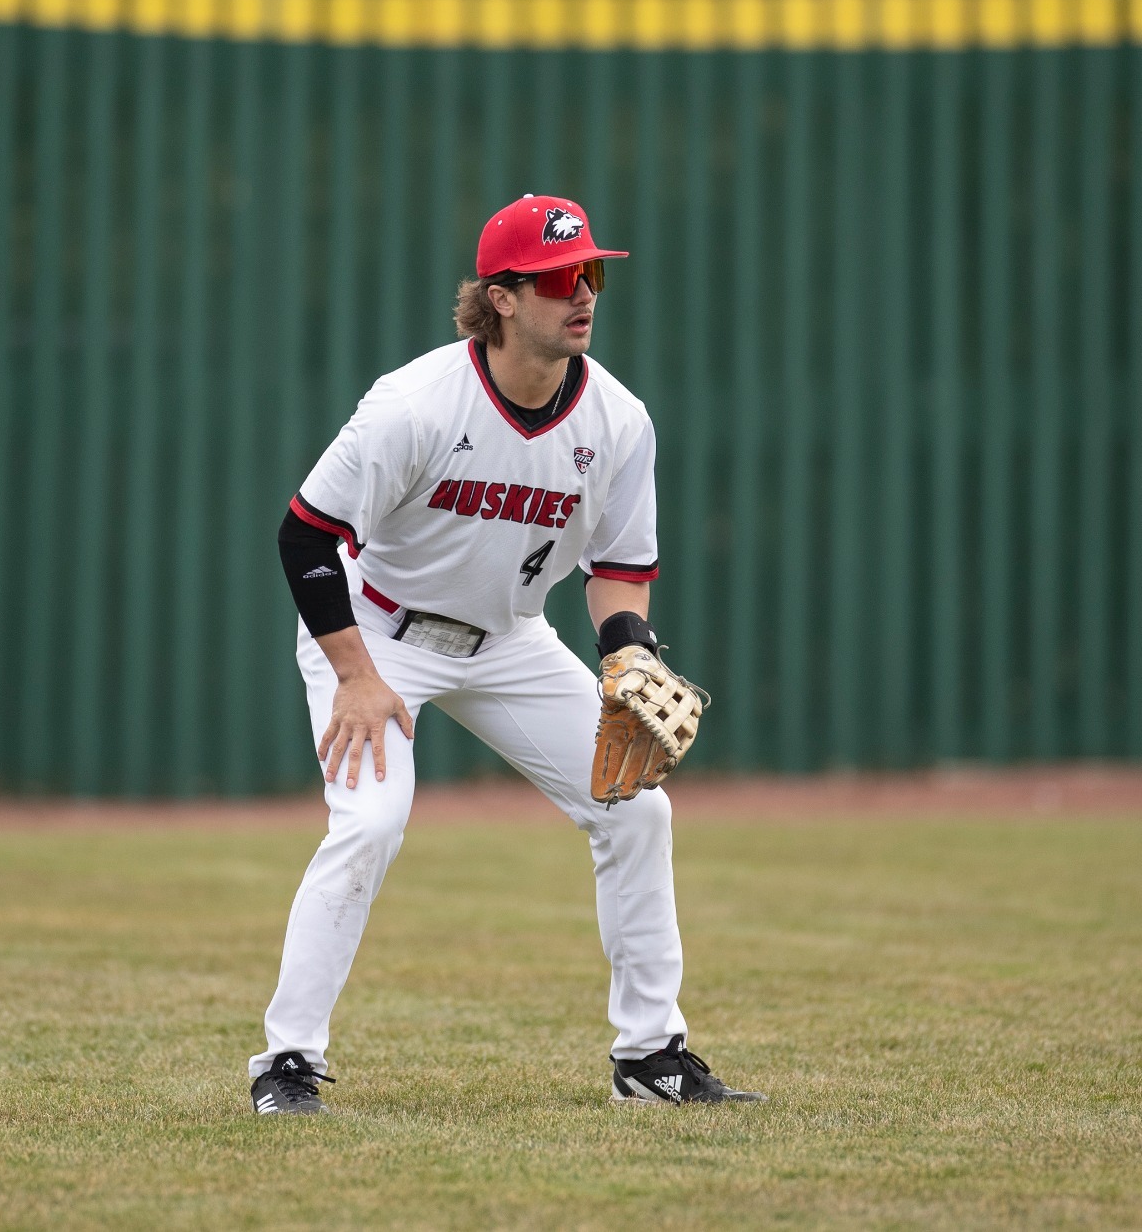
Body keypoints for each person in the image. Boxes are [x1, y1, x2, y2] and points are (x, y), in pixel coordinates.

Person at [248, 195, 764, 1115]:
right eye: (563, 277)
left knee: (637, 812)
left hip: (510, 639)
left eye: (592, 273)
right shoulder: (412, 405)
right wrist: (357, 678)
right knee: (369, 822)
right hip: (376, 631)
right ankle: (287, 1061)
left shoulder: (617, 420)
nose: (586, 294)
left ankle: (650, 1057)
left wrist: (627, 658)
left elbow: (618, 569)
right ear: (502, 298)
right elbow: (303, 539)